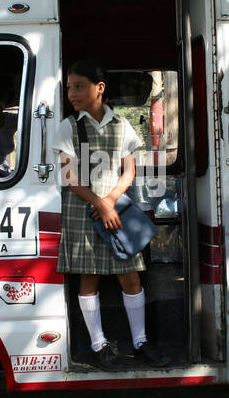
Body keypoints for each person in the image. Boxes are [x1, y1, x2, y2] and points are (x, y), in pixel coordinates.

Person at [55, 60, 168, 368]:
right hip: (83, 210)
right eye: (69, 87)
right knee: (88, 277)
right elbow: (70, 176)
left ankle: (140, 342)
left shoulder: (121, 125)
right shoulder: (68, 126)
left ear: (99, 88)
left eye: (79, 86)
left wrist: (111, 200)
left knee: (130, 276)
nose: (72, 93)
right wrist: (100, 203)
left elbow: (129, 170)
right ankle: (98, 345)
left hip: (114, 209)